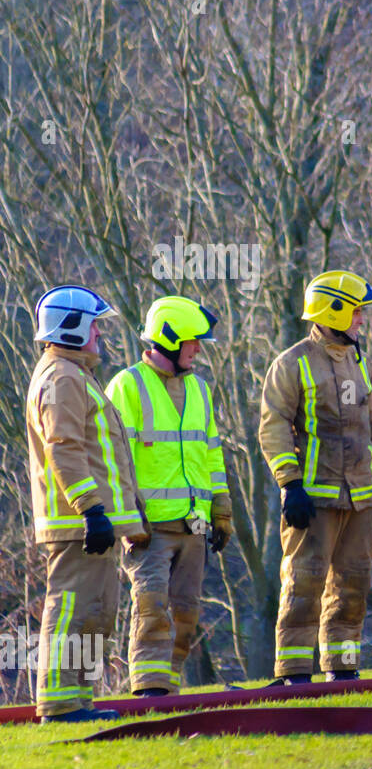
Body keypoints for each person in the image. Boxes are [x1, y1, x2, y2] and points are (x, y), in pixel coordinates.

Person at [259, 270, 372, 684]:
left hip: (359, 497)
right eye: (357, 313)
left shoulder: (358, 361)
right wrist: (290, 484)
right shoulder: (291, 363)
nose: (362, 321)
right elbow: (273, 427)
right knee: (304, 582)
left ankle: (342, 670)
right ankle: (295, 673)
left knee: (353, 583)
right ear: (334, 312)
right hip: (313, 499)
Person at [25, 286, 148, 722]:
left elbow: (105, 454)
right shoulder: (61, 378)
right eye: (94, 324)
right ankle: (59, 704)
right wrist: (91, 509)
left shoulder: (75, 375)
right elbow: (65, 448)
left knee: (96, 613)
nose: (100, 333)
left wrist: (127, 510)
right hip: (78, 523)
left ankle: (78, 699)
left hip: (93, 522)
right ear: (73, 326)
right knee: (72, 609)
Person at [107, 296, 230, 696]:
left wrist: (221, 509)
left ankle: (169, 688)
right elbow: (114, 457)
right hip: (149, 530)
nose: (198, 348)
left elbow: (212, 453)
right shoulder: (128, 384)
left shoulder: (199, 389)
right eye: (193, 341)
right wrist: (127, 518)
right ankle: (149, 693)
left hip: (193, 525)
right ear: (170, 339)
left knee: (186, 614)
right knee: (151, 607)